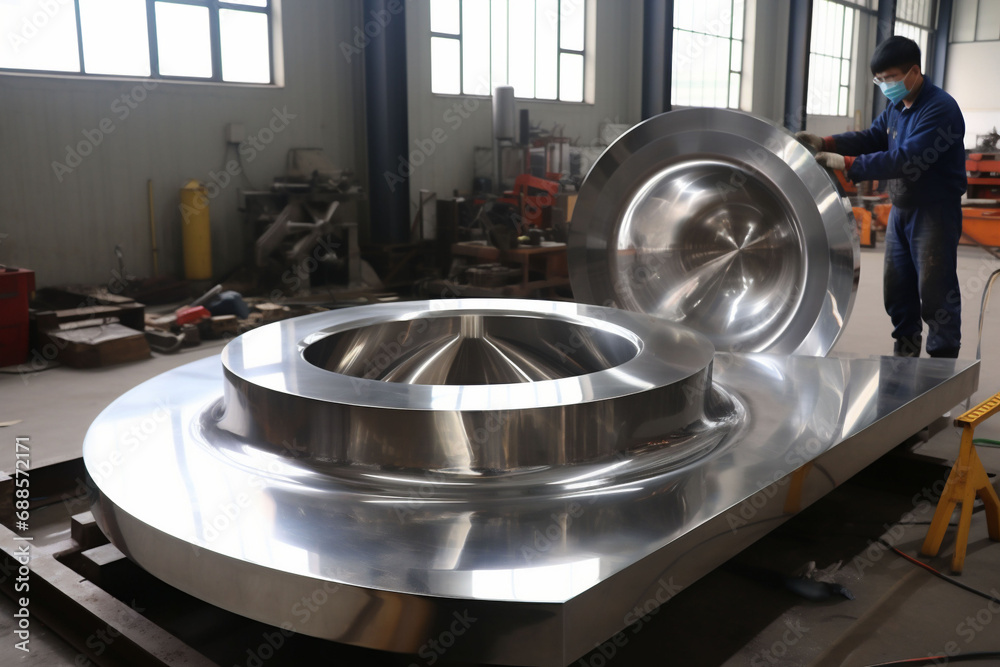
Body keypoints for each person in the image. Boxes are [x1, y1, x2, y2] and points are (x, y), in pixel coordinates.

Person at [796, 36, 967, 358]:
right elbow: (873, 138)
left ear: (913, 72)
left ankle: (942, 365)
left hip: (934, 212)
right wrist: (825, 141)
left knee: (935, 291)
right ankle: (906, 355)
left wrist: (847, 164)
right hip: (901, 210)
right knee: (898, 290)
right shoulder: (896, 107)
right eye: (880, 79)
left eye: (890, 78)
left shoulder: (940, 109)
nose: (886, 85)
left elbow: (908, 158)